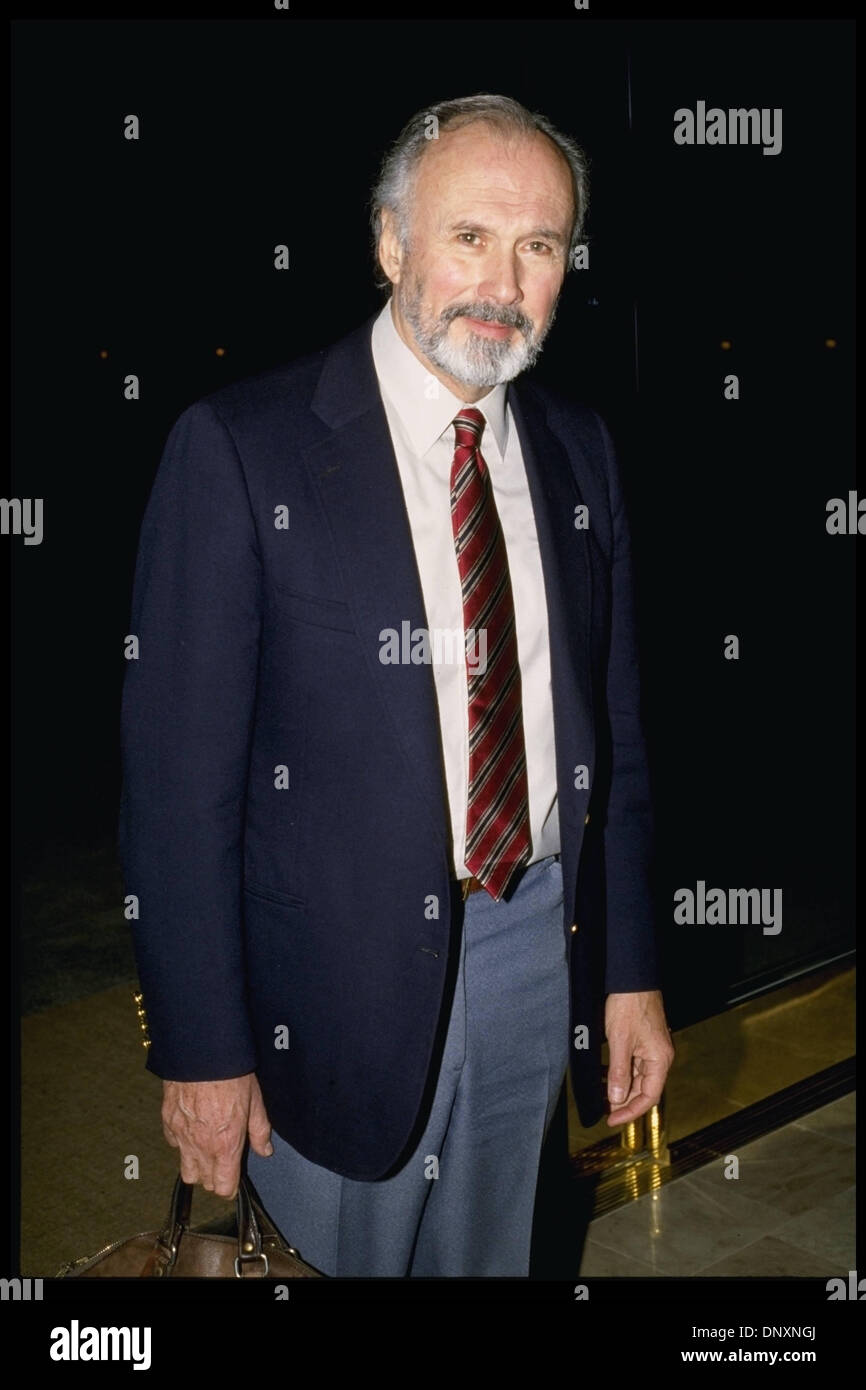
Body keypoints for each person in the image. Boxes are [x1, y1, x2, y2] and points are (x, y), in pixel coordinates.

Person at [117, 92, 675, 1278]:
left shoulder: (579, 450)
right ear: (388, 243)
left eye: (539, 247)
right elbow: (176, 791)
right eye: (469, 235)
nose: (503, 280)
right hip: (324, 990)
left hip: (536, 944)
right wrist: (203, 1050)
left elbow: (610, 738)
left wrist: (626, 970)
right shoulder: (240, 448)